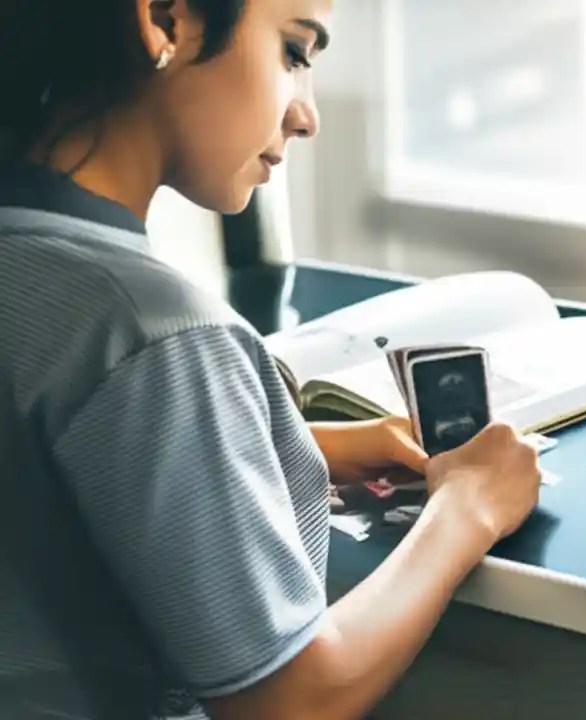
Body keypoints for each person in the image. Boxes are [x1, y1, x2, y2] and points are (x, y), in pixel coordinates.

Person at [0, 1, 542, 718]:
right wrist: (465, 508)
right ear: (164, 17)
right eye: (294, 52)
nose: (306, 115)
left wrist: (275, 443)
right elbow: (290, 700)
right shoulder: (152, 330)